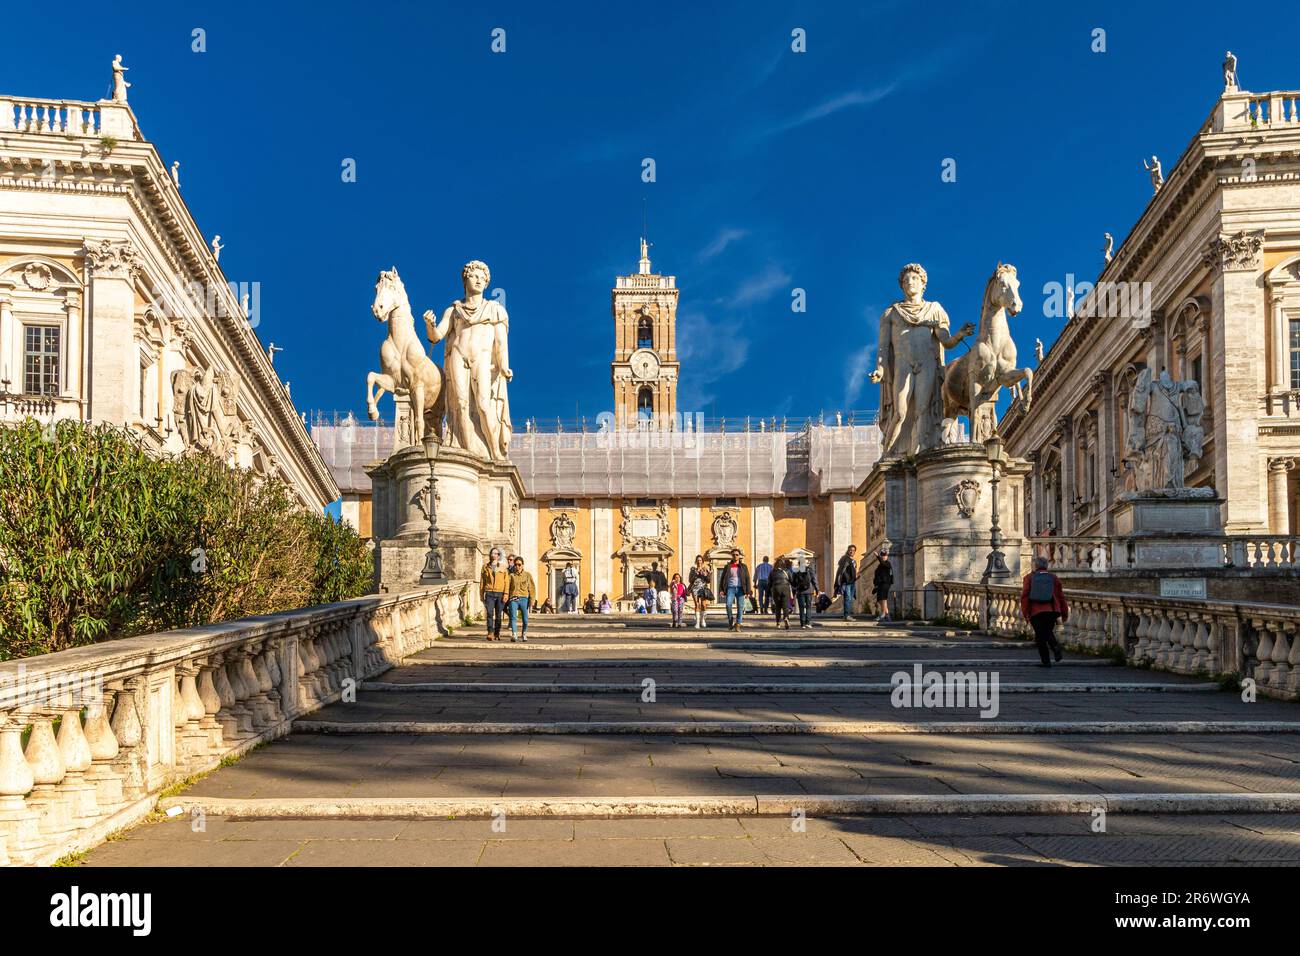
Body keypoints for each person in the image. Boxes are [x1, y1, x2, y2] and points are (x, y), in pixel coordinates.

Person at [1021, 555, 1067, 667]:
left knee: (1040, 637)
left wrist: (1025, 613)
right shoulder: (1054, 578)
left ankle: (1046, 661)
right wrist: (1064, 613)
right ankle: (1055, 648)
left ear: (1035, 566)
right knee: (1047, 632)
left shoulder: (1029, 578)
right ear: (1046, 566)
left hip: (1036, 611)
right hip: (1051, 610)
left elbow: (1025, 596)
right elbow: (1061, 597)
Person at [718, 549, 752, 631]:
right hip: (730, 588)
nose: (735, 556)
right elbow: (722, 578)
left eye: (737, 554)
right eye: (733, 555)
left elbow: (747, 578)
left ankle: (738, 624)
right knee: (728, 604)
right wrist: (721, 589)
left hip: (741, 588)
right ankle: (730, 620)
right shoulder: (728, 566)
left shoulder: (743, 566)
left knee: (740, 607)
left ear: (739, 556)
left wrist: (748, 591)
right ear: (731, 556)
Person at [479, 547, 509, 641]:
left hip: (500, 593)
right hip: (489, 593)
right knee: (489, 613)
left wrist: (506, 594)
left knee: (498, 615)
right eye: (492, 553)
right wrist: (481, 594)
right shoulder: (485, 567)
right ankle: (490, 632)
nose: (494, 555)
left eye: (496, 553)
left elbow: (506, 582)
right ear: (490, 555)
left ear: (498, 556)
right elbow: (482, 582)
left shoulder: (503, 567)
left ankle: (497, 632)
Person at [507, 555, 536, 642]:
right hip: (513, 598)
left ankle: (523, 633)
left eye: (519, 564)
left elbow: (532, 588)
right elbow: (507, 587)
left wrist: (532, 600)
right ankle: (514, 634)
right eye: (516, 564)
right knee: (513, 617)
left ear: (523, 565)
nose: (517, 566)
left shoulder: (527, 575)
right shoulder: (511, 575)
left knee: (525, 619)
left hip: (524, 598)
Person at [834, 545, 862, 620]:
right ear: (848, 550)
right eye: (850, 550)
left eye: (853, 550)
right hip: (846, 583)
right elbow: (842, 571)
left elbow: (852, 572)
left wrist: (856, 576)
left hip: (852, 582)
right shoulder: (845, 559)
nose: (851, 551)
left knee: (850, 599)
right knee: (847, 598)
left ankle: (847, 614)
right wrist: (846, 580)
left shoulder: (853, 560)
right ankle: (846, 615)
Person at [791, 559, 820, 629]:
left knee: (801, 608)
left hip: (800, 591)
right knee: (808, 607)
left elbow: (793, 583)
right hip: (809, 591)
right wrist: (817, 589)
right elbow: (814, 580)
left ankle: (802, 624)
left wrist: (794, 592)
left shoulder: (796, 571)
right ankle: (808, 623)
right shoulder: (810, 570)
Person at [768, 557, 794, 630]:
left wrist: (768, 593)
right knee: (785, 606)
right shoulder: (787, 571)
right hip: (785, 588)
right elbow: (792, 580)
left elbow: (769, 583)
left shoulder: (772, 572)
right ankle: (786, 618)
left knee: (778, 607)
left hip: (776, 588)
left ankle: (778, 623)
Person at [689, 554, 713, 628]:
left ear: (702, 561)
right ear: (696, 561)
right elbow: (690, 580)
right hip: (695, 588)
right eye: (698, 560)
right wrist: (695, 575)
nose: (699, 561)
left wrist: (705, 575)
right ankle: (697, 622)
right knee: (697, 604)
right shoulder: (693, 570)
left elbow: (708, 580)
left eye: (700, 560)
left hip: (703, 588)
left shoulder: (705, 569)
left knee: (703, 605)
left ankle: (702, 620)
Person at [872, 549, 894, 623]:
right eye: (882, 555)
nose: (884, 557)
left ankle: (883, 614)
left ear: (887, 556)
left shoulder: (887, 564)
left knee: (883, 598)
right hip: (880, 584)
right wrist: (875, 585)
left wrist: (878, 556)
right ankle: (887, 614)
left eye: (885, 555)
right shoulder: (880, 565)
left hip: (885, 583)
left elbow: (883, 563)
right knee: (880, 599)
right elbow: (877, 575)